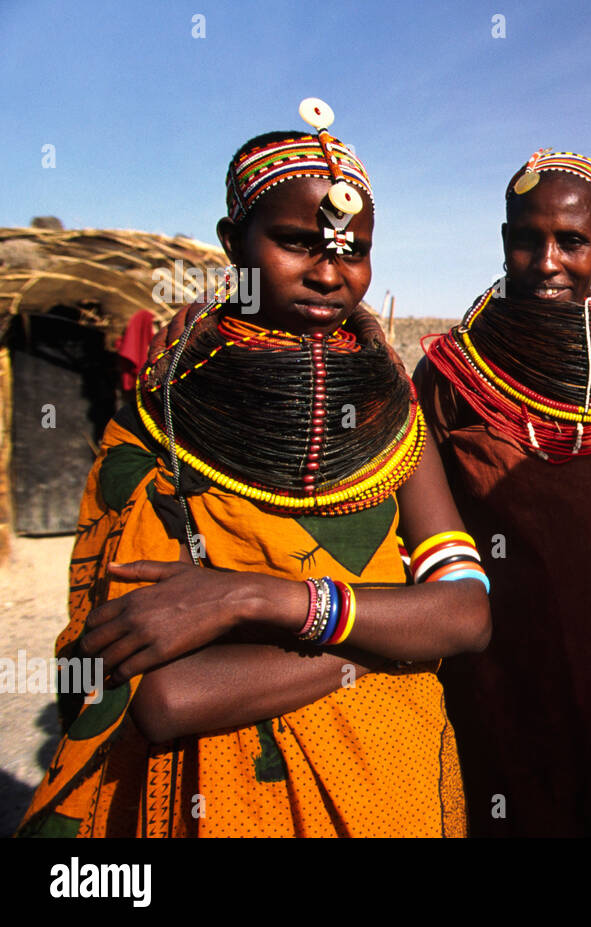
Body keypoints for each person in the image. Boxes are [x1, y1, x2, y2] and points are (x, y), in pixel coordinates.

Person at [17, 99, 489, 838]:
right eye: (299, 242)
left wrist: (253, 599)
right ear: (234, 243)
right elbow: (167, 696)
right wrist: (390, 634)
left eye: (352, 249)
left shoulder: (387, 417)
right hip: (227, 797)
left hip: (395, 784)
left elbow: (467, 613)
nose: (331, 275)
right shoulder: (164, 419)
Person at [413, 148, 591, 837]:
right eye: (525, 239)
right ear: (505, 241)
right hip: (501, 657)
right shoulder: (453, 371)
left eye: (570, 241)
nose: (546, 261)